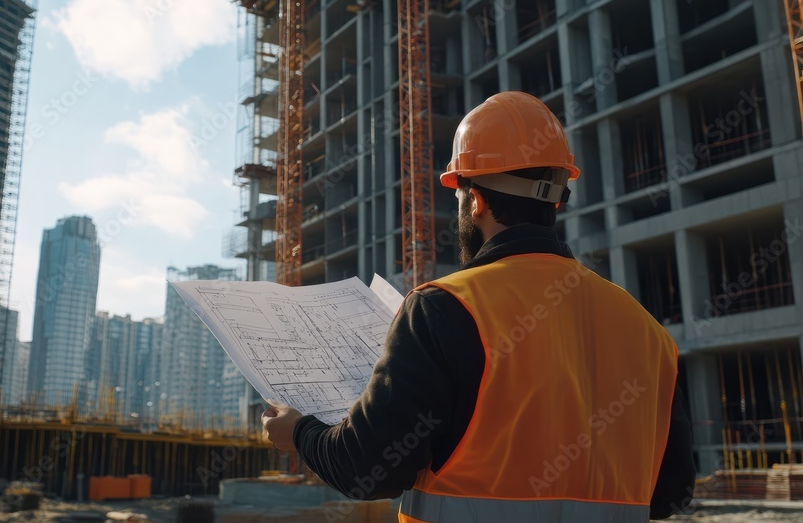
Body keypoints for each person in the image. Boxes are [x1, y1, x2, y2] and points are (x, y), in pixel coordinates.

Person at [262, 91, 696, 522]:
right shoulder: (648, 332)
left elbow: (366, 471)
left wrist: (299, 432)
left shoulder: (443, 308)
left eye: (459, 196)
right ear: (557, 200)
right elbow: (671, 496)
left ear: (476, 200)